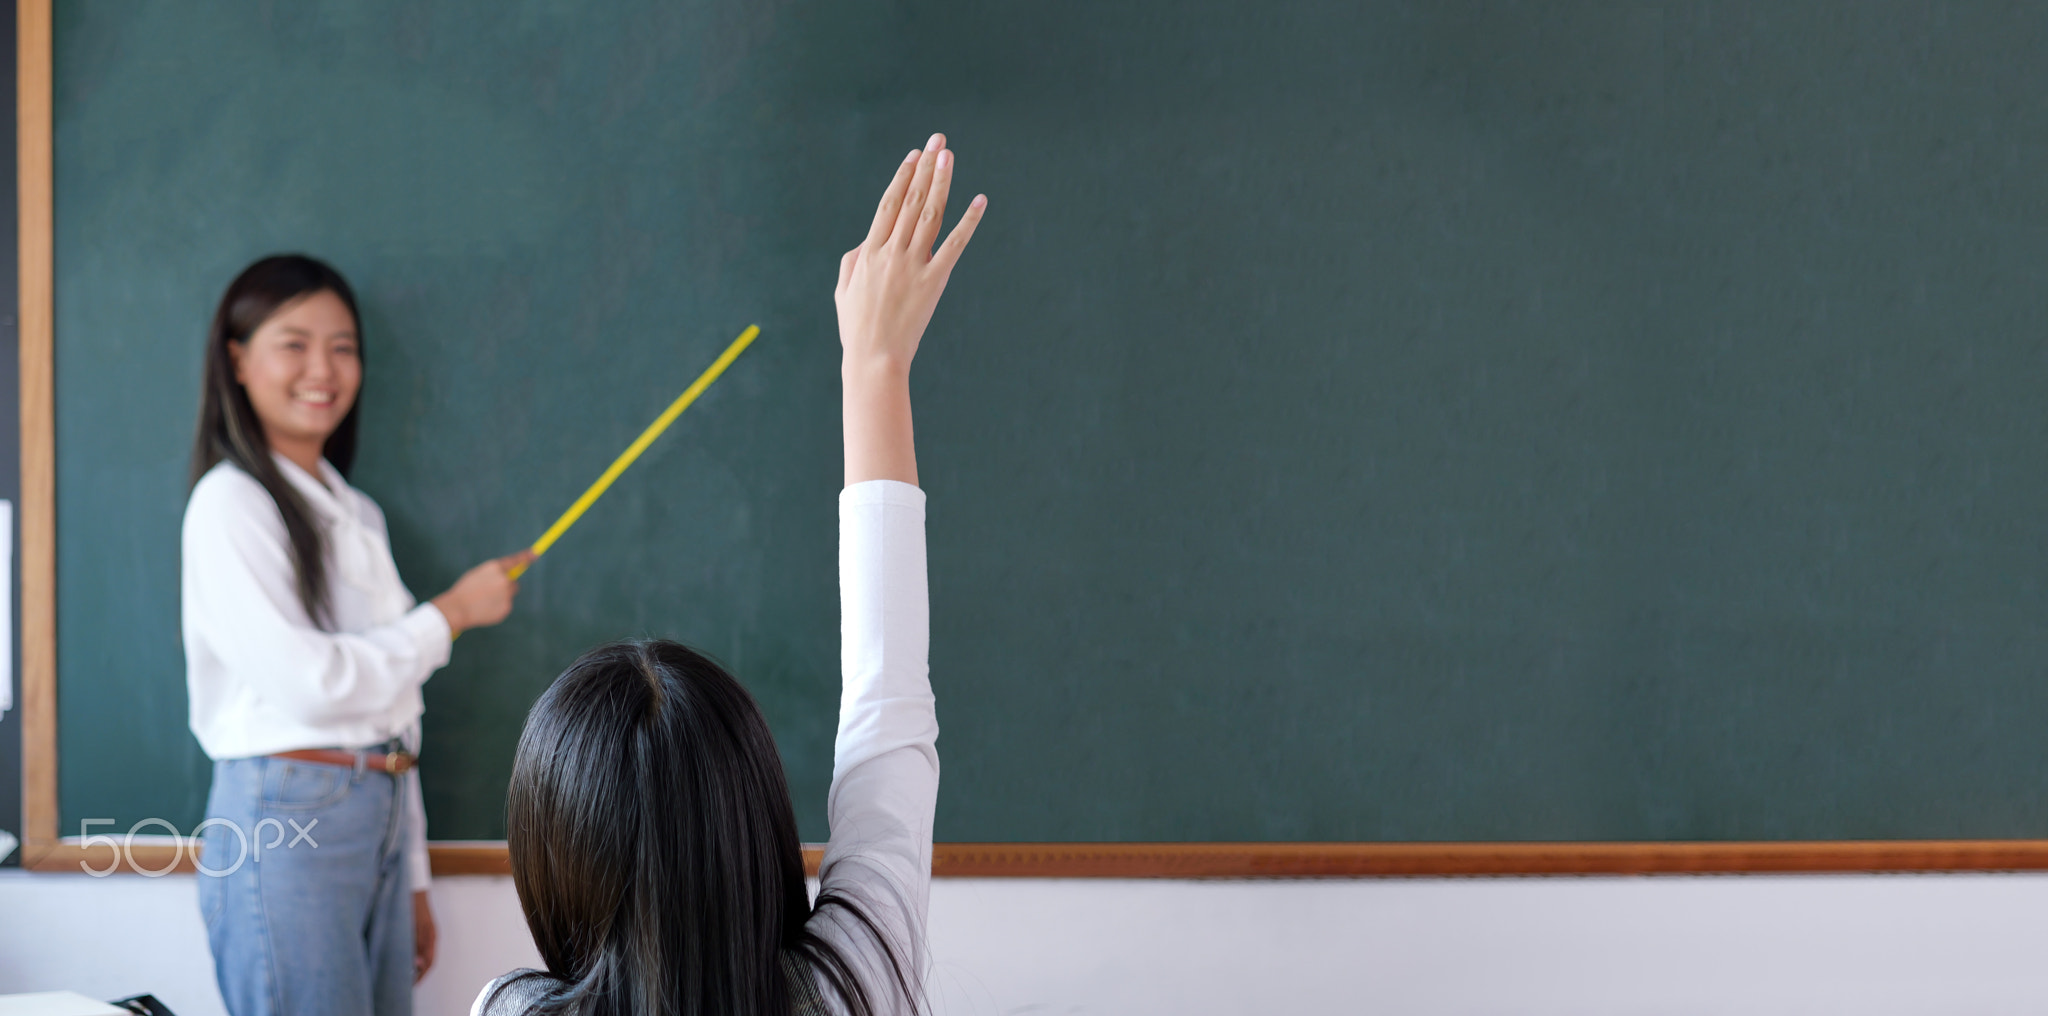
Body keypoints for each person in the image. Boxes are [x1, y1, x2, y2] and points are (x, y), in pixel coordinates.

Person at [473, 132, 985, 1016]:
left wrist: (875, 365)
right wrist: (875, 366)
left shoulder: (513, 1010)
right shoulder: (850, 981)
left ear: (554, 859)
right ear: (752, 822)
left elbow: (888, 713)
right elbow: (887, 706)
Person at [184, 254, 532, 1016]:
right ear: (237, 360)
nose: (324, 370)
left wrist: (412, 874)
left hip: (378, 804)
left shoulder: (357, 512)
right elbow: (309, 683)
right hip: (288, 813)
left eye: (343, 347)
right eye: (295, 343)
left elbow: (392, 710)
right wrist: (451, 613)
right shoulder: (230, 503)